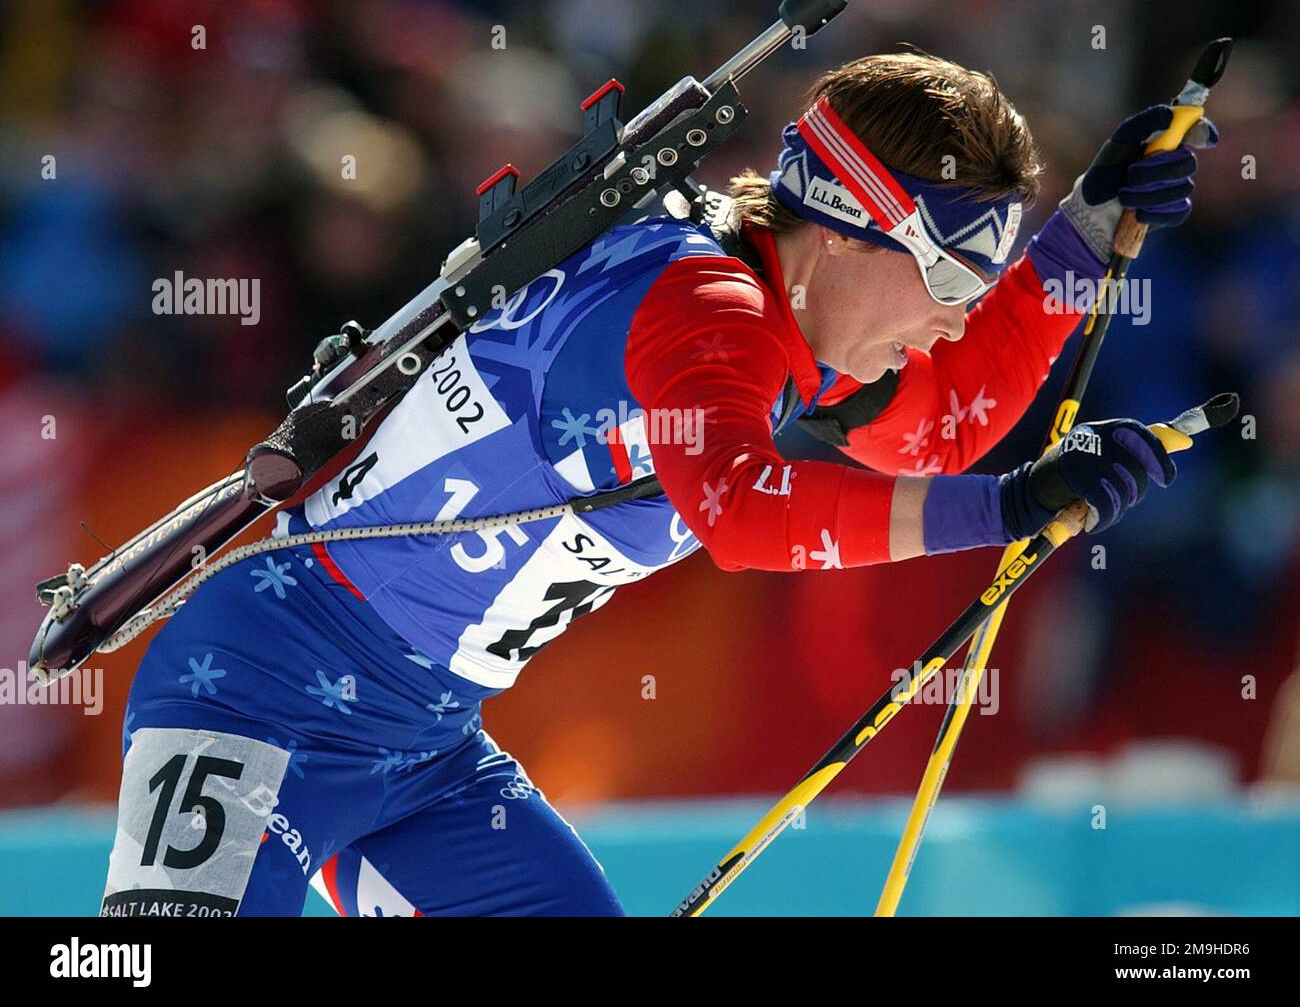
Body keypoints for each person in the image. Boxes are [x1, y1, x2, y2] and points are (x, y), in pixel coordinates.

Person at [101, 52, 1212, 917]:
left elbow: (945, 422)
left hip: (423, 750)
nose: (962, 315)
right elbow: (742, 511)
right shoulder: (707, 312)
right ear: (845, 229)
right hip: (261, 691)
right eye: (953, 275)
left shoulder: (787, 326)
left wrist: (1085, 232)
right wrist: (1011, 507)